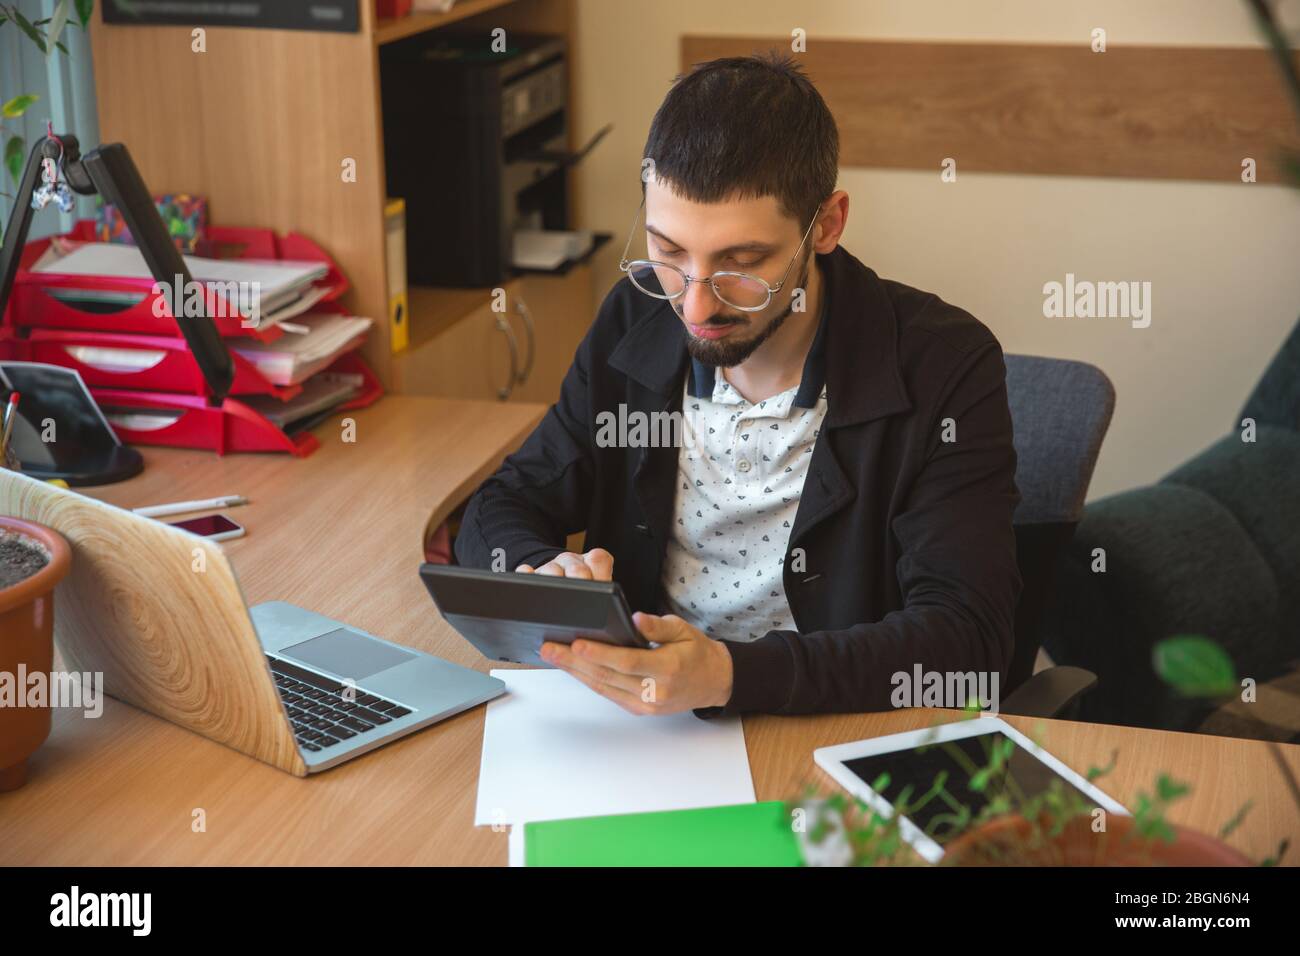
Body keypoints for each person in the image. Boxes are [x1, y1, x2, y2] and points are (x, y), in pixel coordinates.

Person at [454, 52, 1021, 719]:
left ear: (827, 225)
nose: (694, 307)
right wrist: (538, 573)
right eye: (669, 254)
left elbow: (967, 643)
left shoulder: (945, 366)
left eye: (741, 264)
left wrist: (727, 675)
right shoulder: (635, 320)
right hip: (645, 730)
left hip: (833, 729)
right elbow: (502, 505)